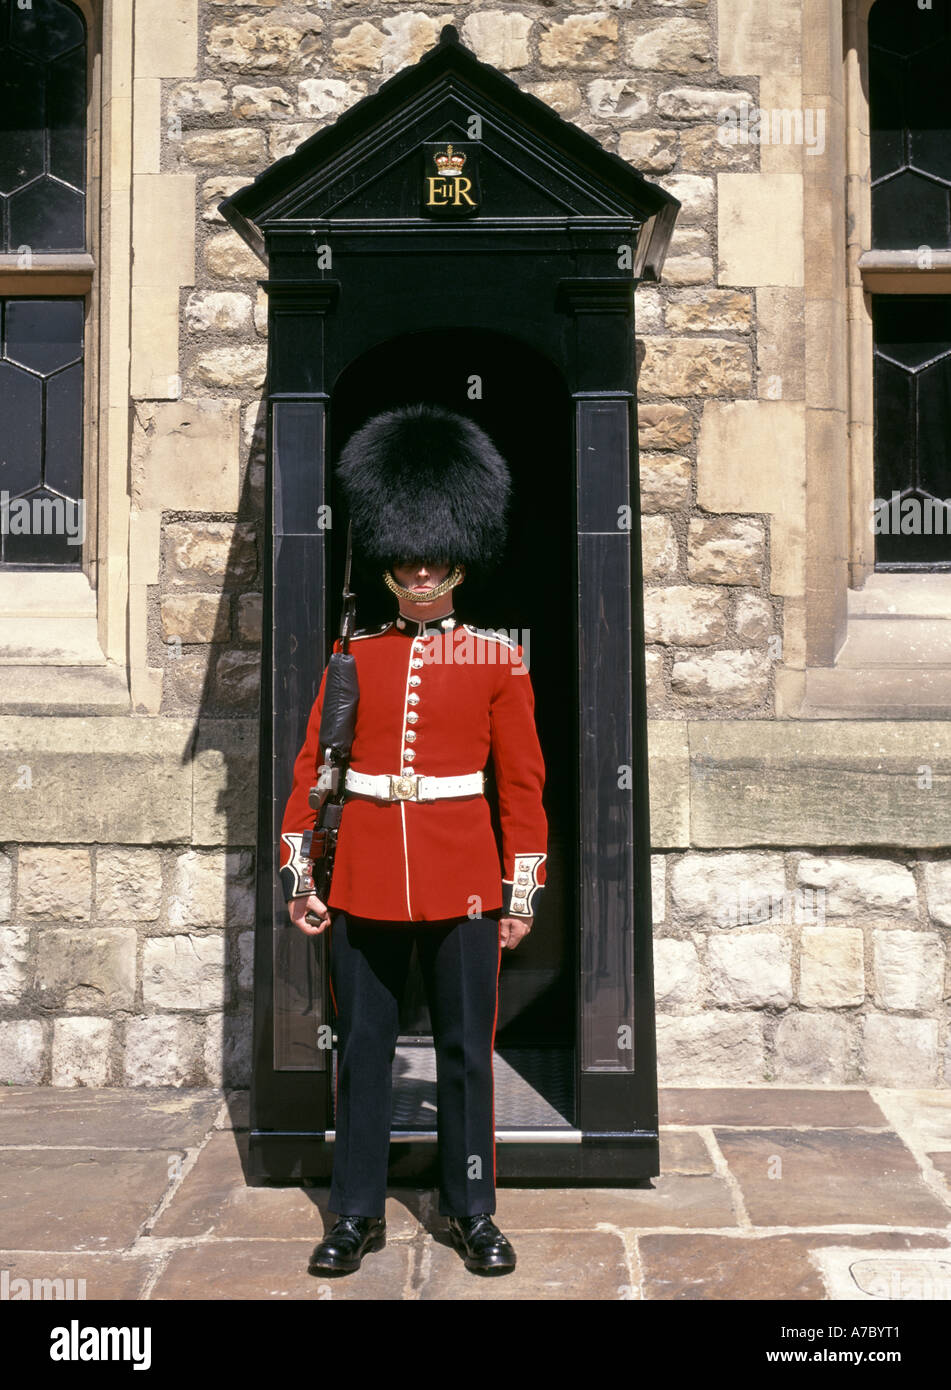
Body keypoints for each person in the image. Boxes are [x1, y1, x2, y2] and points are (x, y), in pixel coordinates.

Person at [278, 403, 548, 1277]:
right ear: (391, 559)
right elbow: (314, 769)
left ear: (459, 559)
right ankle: (354, 1212)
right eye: (406, 555)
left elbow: (521, 788)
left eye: (433, 556)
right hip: (360, 873)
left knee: (468, 1053)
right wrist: (301, 875)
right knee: (362, 1053)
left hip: (465, 876)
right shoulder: (353, 654)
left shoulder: (498, 660)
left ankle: (470, 1208)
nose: (420, 569)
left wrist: (521, 890)